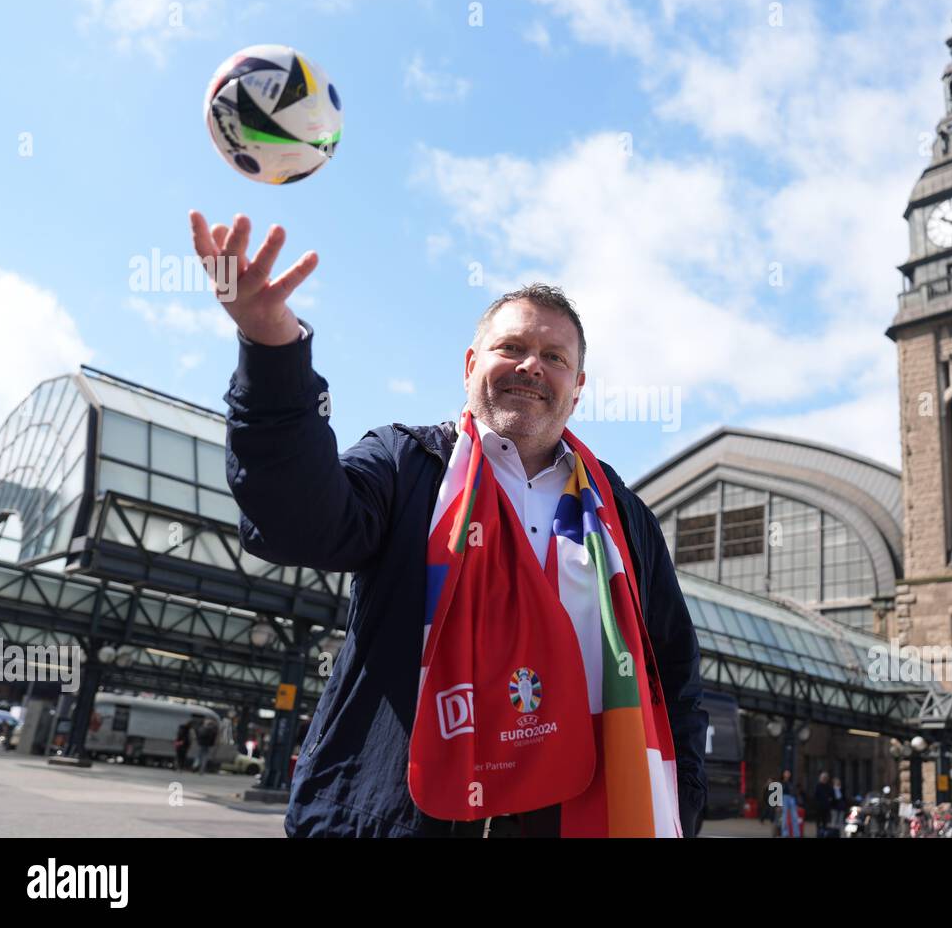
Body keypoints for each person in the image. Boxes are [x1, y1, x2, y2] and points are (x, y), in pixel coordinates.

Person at [188, 212, 708, 838]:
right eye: (510, 347)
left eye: (554, 357)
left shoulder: (625, 520)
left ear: (578, 388)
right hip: (399, 820)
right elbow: (295, 524)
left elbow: (674, 675)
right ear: (470, 365)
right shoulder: (409, 465)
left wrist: (682, 808)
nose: (531, 366)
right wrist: (273, 350)